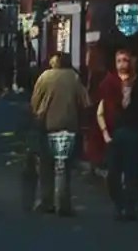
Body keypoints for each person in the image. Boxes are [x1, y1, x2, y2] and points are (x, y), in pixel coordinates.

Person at [29, 52, 90, 215]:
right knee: (63, 167)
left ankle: (46, 201)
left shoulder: (45, 77)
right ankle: (63, 203)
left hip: (47, 125)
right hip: (69, 125)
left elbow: (35, 102)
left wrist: (37, 114)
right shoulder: (74, 77)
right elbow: (85, 101)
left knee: (45, 165)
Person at [98, 47, 138, 221]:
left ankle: (130, 206)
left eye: (125, 60)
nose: (122, 64)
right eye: (119, 60)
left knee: (133, 172)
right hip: (115, 133)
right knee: (113, 173)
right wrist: (105, 133)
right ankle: (118, 203)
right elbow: (101, 110)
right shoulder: (109, 84)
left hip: (134, 132)